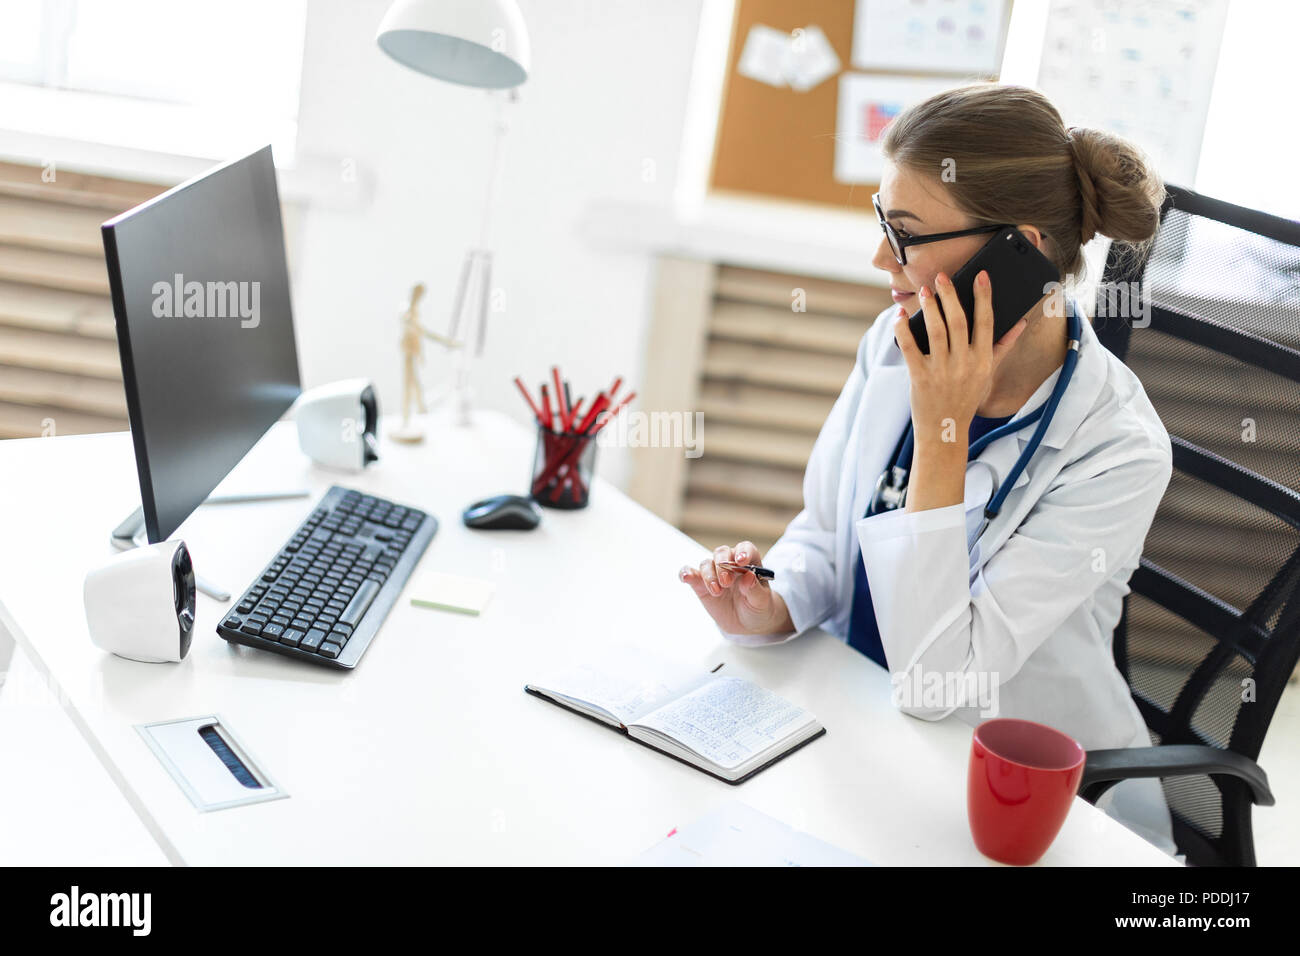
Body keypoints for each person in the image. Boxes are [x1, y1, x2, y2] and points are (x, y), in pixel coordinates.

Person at [679, 84, 1176, 853]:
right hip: (864, 733)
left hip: (1025, 810)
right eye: (883, 222)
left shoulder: (1116, 449)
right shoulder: (894, 339)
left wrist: (942, 433)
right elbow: (826, 531)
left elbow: (938, 686)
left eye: (905, 233)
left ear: (1021, 250)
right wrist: (776, 603)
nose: (881, 258)